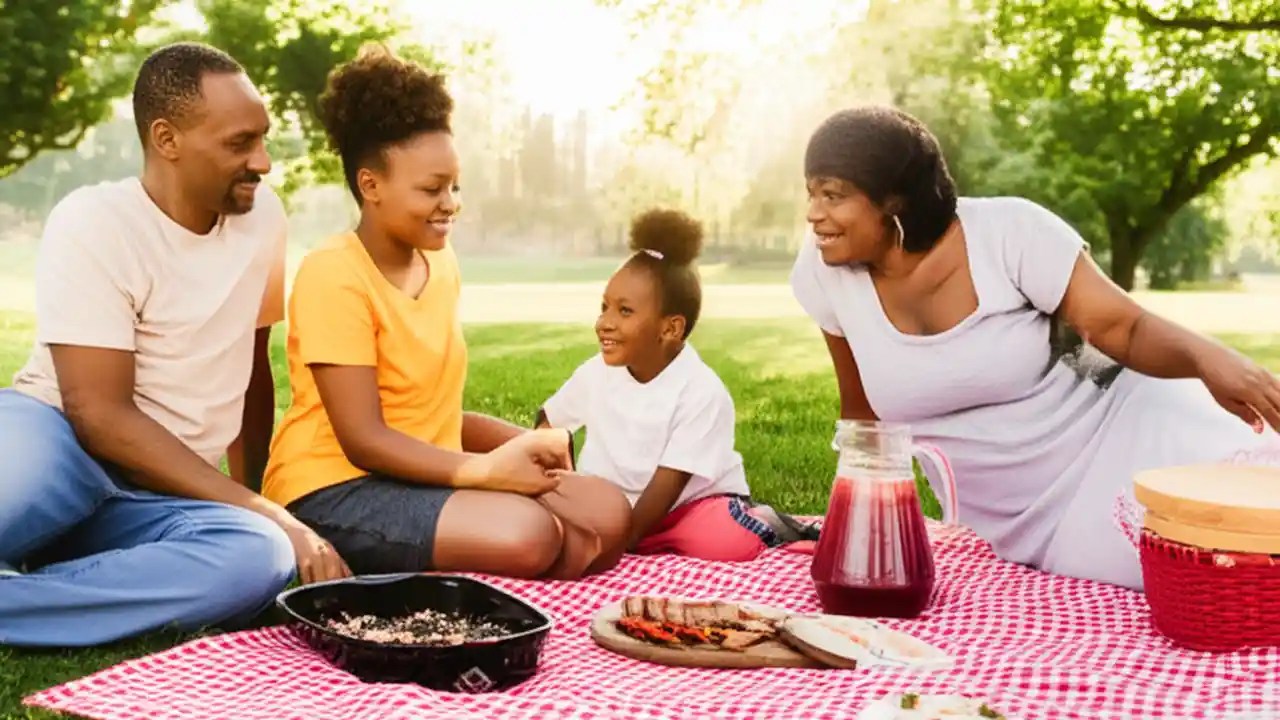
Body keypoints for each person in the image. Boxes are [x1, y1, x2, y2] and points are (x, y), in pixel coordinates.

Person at [790, 105, 1280, 590]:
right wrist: (846, 528)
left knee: (1240, 547)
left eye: (833, 195)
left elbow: (1121, 329)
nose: (814, 214)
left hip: (1124, 430)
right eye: (811, 193)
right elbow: (862, 421)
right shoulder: (824, 274)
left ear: (894, 201)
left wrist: (1207, 357)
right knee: (1185, 583)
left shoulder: (1010, 233)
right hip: (1017, 518)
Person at [0, 42, 348, 648]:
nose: (263, 162)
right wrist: (269, 510)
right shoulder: (95, 221)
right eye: (240, 143)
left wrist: (262, 507)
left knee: (258, 557)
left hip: (160, 491)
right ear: (167, 139)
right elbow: (98, 415)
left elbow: (253, 362)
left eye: (262, 139)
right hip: (55, 444)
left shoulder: (263, 218)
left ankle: (24, 597)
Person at [261, 44, 631, 580]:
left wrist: (517, 443)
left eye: (454, 186)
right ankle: (433, 558)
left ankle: (441, 556)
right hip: (333, 488)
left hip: (421, 473)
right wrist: (484, 472)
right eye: (432, 189)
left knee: (606, 513)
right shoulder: (333, 273)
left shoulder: (441, 263)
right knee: (529, 533)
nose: (451, 203)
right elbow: (365, 439)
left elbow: (426, 416)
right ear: (371, 185)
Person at [537, 209, 816, 562]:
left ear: (669, 329)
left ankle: (772, 525)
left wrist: (623, 542)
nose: (603, 323)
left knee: (725, 544)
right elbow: (548, 423)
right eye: (604, 307)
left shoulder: (701, 392)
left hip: (687, 508)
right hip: (612, 506)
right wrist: (559, 480)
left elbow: (669, 485)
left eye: (624, 311)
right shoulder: (594, 374)